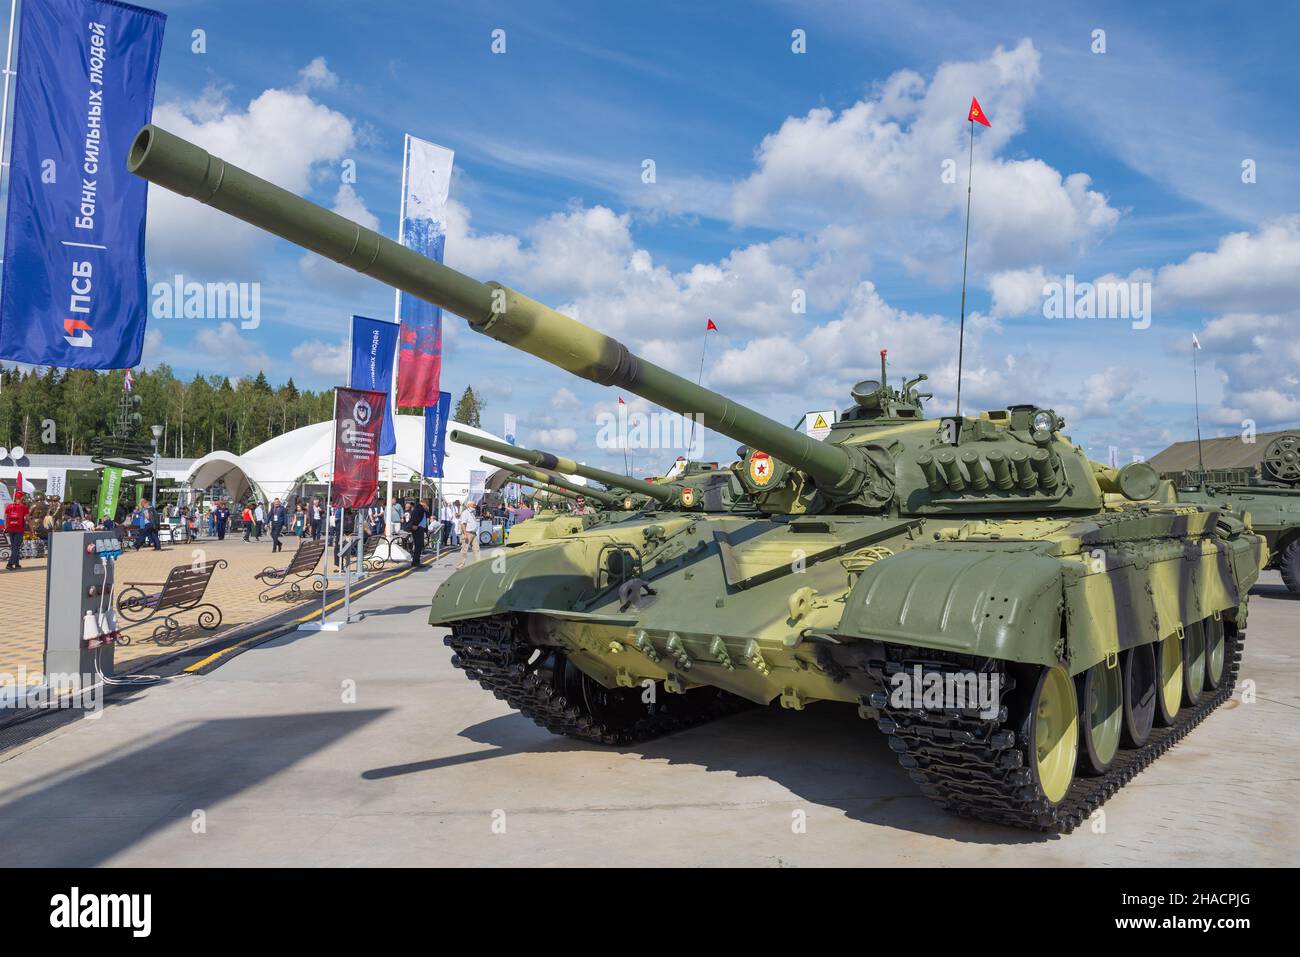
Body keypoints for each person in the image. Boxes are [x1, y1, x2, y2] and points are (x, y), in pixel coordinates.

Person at [4, 490, 29, 570]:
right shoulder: (24, 507)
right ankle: (10, 564)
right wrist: (31, 529)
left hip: (10, 528)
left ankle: (17, 564)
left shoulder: (9, 506)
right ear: (21, 498)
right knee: (16, 547)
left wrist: (6, 527)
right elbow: (28, 519)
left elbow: (5, 517)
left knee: (14, 547)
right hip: (19, 529)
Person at [456, 500, 481, 569]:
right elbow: (462, 524)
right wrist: (465, 534)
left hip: (473, 533)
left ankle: (477, 564)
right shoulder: (465, 513)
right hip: (468, 533)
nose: (475, 506)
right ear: (469, 505)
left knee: (476, 549)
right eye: (473, 505)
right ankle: (461, 564)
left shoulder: (472, 512)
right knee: (464, 549)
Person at [407, 498, 428, 567]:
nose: (427, 506)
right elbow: (414, 517)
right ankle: (415, 562)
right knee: (418, 545)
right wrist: (414, 525)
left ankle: (416, 561)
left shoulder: (422, 508)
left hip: (420, 528)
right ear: (424, 503)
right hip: (417, 528)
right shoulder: (419, 508)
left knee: (419, 545)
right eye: (426, 504)